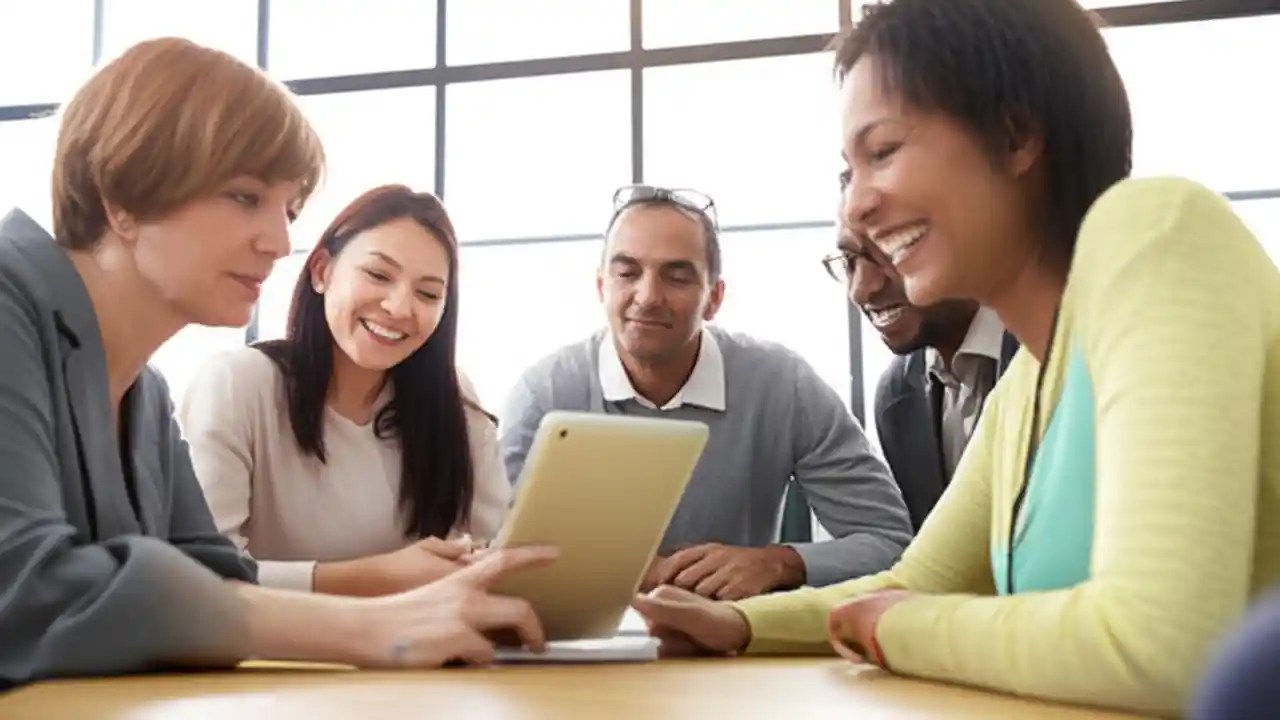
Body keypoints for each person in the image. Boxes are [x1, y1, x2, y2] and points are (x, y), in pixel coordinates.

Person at [632, 1, 1280, 716]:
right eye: (849, 171)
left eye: (881, 152)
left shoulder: (1158, 232)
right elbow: (916, 582)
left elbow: (1159, 644)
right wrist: (742, 624)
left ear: (1014, 133)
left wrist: (897, 631)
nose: (855, 211)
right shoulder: (1031, 377)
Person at [0, 37, 553, 687]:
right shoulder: (11, 304)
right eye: (244, 196)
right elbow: (24, 594)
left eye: (288, 209)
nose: (281, 241)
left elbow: (216, 580)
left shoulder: (144, 394)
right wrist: (369, 627)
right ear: (120, 194)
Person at [501, 184, 912, 601]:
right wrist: (628, 571)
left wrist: (778, 562)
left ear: (713, 298)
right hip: (571, 645)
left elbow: (889, 541)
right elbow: (488, 555)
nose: (647, 297)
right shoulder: (544, 394)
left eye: (677, 277)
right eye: (627, 274)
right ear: (600, 287)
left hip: (732, 640)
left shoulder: (784, 386)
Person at [178, 185, 509, 596]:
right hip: (275, 656)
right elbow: (199, 576)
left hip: (422, 656)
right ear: (322, 272)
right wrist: (380, 578)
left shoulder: (454, 399)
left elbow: (499, 554)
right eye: (378, 275)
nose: (400, 307)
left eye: (428, 293)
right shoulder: (238, 386)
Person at [823, 237, 1017, 530]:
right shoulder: (897, 396)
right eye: (849, 262)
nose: (860, 290)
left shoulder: (1057, 349)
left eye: (886, 253)